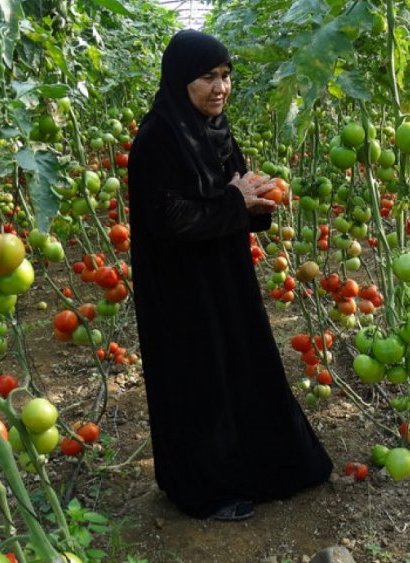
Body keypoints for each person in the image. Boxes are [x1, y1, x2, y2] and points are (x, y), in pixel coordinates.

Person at [127, 29, 333, 521]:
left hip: (225, 277)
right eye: (207, 77)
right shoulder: (156, 139)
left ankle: (265, 468)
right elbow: (169, 219)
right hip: (180, 288)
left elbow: (236, 198)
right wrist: (233, 201)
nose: (220, 88)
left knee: (241, 367)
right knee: (197, 380)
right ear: (180, 80)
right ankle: (205, 489)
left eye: (226, 77)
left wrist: (256, 198)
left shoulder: (217, 132)